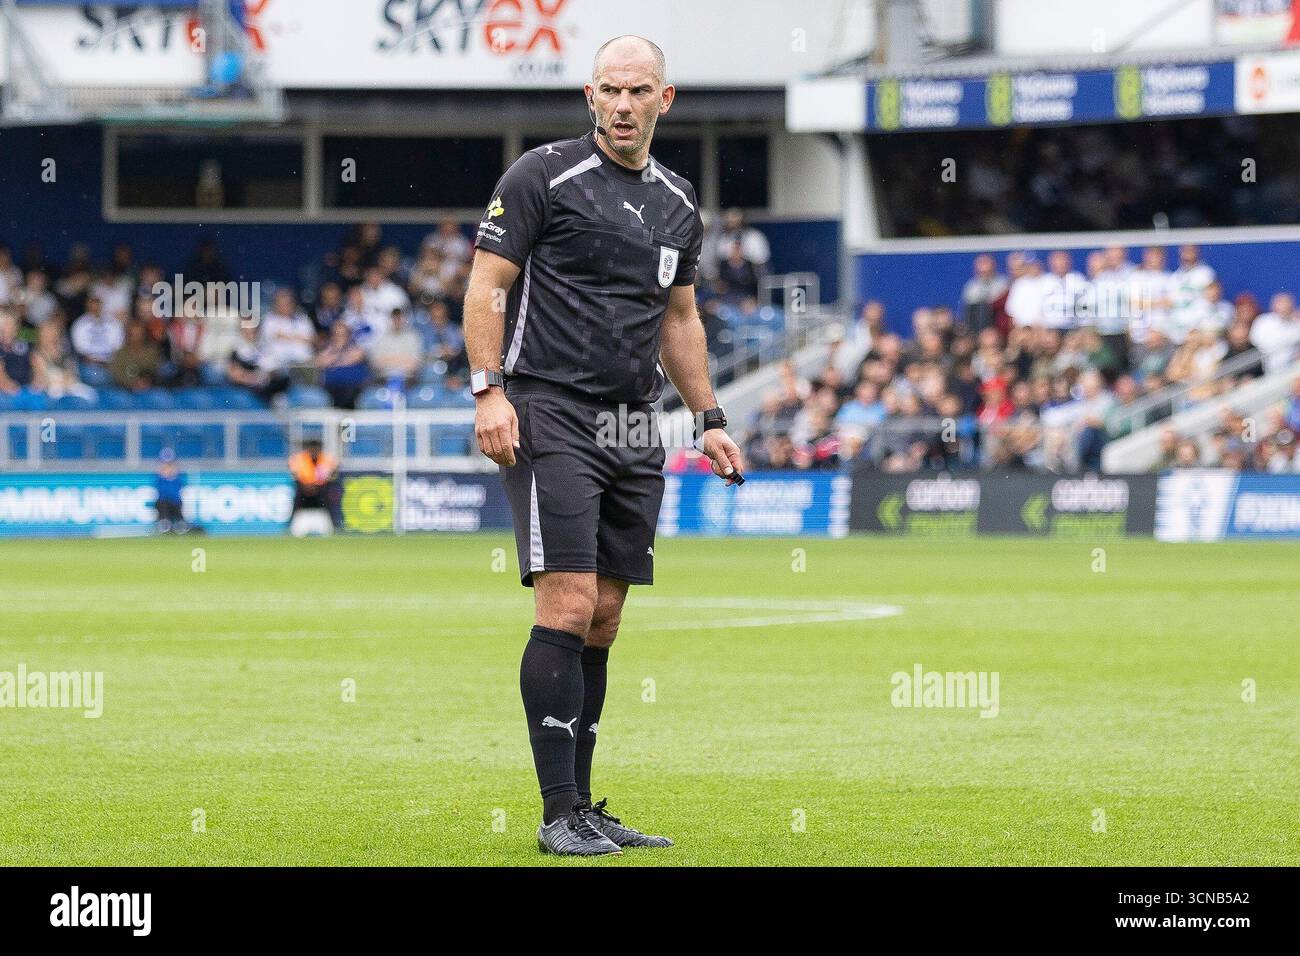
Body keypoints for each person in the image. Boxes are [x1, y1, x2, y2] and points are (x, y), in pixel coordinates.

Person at [464, 34, 743, 857]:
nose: (623, 104)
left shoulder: (679, 204)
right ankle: (557, 815)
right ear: (590, 96)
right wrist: (489, 391)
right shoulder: (542, 176)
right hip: (550, 410)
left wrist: (711, 417)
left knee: (608, 617)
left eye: (639, 90)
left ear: (667, 99)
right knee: (569, 601)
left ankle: (586, 808)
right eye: (610, 90)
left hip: (634, 422)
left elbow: (680, 320)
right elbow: (485, 286)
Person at [287, 438, 340, 533]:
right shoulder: (300, 459)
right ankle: (290, 523)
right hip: (304, 488)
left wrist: (316, 485)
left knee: (327, 495)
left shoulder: (326, 459)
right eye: (311, 448)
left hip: (320, 488)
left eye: (316, 448)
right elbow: (295, 474)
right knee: (298, 495)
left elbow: (332, 472)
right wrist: (307, 485)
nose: (313, 451)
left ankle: (334, 523)